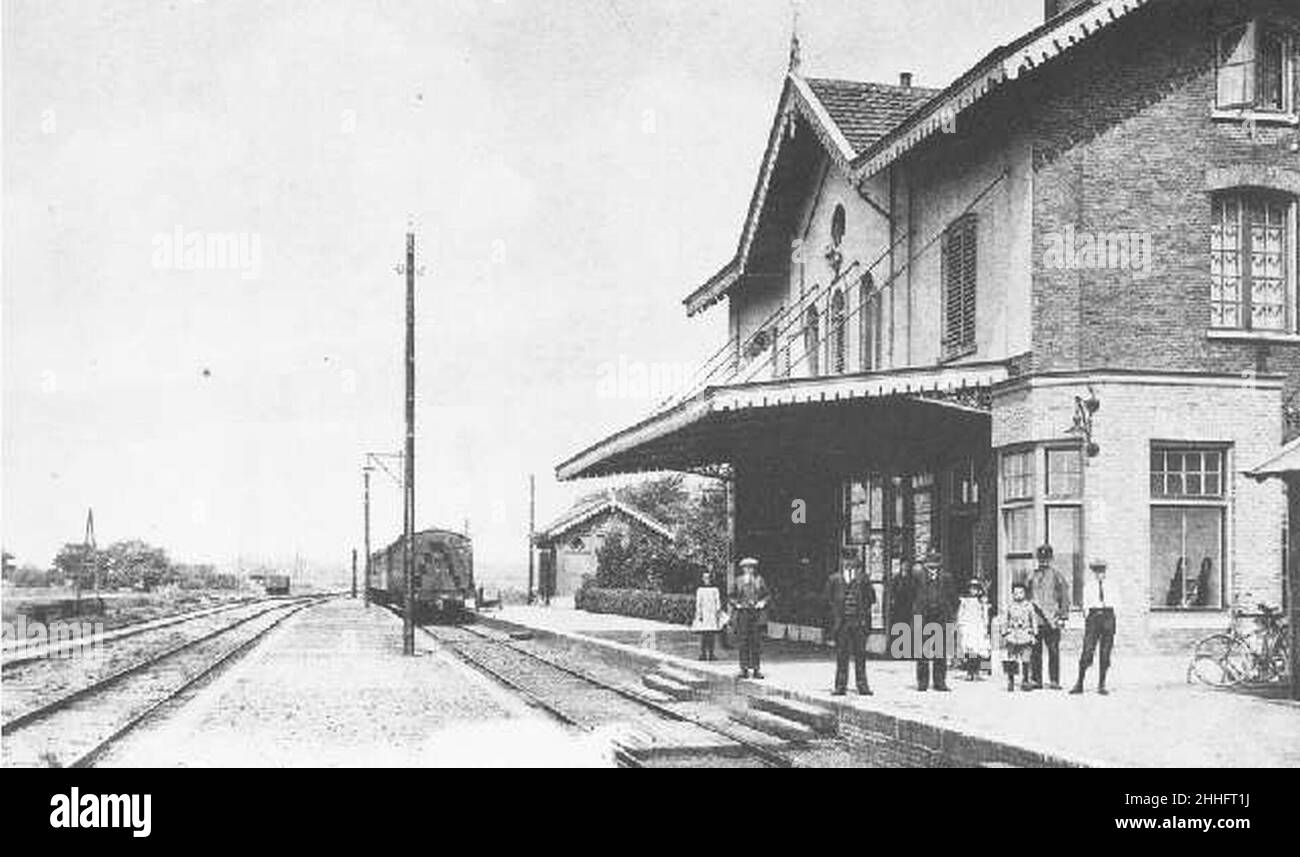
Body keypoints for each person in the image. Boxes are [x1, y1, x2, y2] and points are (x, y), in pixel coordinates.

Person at [825, 549, 874, 696]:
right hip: (842, 624)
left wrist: (863, 614)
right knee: (842, 656)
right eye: (846, 560)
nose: (849, 563)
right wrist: (834, 618)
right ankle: (840, 686)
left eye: (851, 560)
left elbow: (871, 598)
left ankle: (862, 686)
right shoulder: (835, 579)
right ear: (842, 562)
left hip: (858, 623)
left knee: (860, 656)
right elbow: (827, 600)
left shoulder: (863, 579)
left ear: (855, 561)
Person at [1071, 560, 1117, 695]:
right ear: (1093, 572)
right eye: (1097, 571)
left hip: (1108, 616)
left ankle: (1102, 684)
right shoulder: (1089, 586)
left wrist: (1110, 618)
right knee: (1087, 650)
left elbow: (1116, 604)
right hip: (1093, 617)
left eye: (1102, 571)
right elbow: (1085, 605)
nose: (1099, 574)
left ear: (1105, 572)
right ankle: (1079, 683)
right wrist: (1090, 618)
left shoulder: (1112, 586)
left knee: (1105, 652)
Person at [1028, 544, 1070, 690]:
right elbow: (1027, 597)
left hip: (1052, 619)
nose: (1043, 561)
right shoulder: (1032, 576)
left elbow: (1064, 597)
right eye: (1041, 558)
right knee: (1035, 651)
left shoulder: (1057, 576)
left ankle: (1054, 680)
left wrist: (1063, 616)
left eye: (1046, 558)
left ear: (1051, 559)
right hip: (1036, 620)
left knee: (1053, 650)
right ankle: (1036, 680)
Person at [913, 550, 955, 692]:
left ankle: (939, 682)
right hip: (923, 617)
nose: (932, 569)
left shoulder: (946, 578)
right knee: (922, 651)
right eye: (929, 566)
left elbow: (953, 598)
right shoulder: (918, 577)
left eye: (935, 566)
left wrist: (948, 613)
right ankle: (922, 682)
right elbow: (911, 595)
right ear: (925, 566)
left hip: (940, 617)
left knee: (940, 651)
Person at [729, 557, 769, 680]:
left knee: (756, 642)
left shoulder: (759, 580)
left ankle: (756, 669)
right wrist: (737, 604)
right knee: (743, 641)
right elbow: (731, 596)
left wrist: (762, 602)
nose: (749, 570)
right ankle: (744, 669)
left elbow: (767, 595)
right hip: (743, 613)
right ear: (743, 569)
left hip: (756, 614)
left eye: (751, 568)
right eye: (747, 568)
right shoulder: (738, 581)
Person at [1000, 580, 1038, 691]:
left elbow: (1033, 620)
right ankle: (1010, 680)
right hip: (1013, 635)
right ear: (1012, 594)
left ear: (1025, 593)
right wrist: (1005, 633)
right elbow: (1005, 620)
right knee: (1011, 659)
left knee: (1026, 659)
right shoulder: (1010, 606)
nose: (1018, 595)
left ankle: (1025, 680)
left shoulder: (1029, 606)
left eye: (1021, 592)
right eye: (1016, 593)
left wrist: (1034, 634)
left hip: (1025, 634)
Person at [955, 578, 990, 680]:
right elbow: (961, 613)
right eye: (971, 589)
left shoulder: (982, 601)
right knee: (970, 650)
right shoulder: (964, 600)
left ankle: (977, 671)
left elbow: (985, 614)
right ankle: (970, 671)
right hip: (968, 626)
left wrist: (985, 625)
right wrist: (960, 624)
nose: (973, 591)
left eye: (975, 589)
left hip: (978, 626)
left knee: (978, 649)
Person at [691, 570, 725, 661]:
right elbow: (698, 603)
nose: (707, 579)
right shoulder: (700, 590)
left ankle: (711, 654)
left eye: (709, 577)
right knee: (703, 635)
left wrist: (718, 612)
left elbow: (718, 602)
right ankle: (703, 654)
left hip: (712, 614)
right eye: (705, 578)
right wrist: (699, 613)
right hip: (704, 614)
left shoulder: (715, 589)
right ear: (702, 579)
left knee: (712, 635)